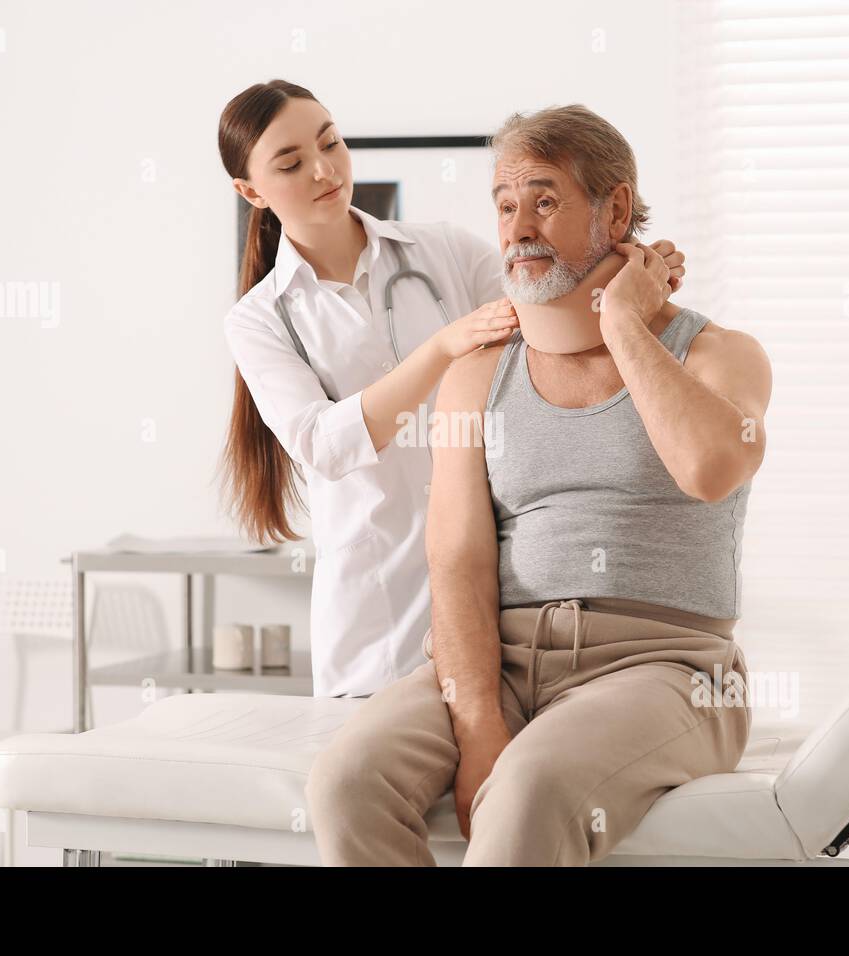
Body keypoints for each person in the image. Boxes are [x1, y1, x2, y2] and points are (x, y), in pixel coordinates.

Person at [305, 104, 773, 865]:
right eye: (504, 203)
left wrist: (623, 322)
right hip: (505, 657)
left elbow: (711, 468)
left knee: (530, 791)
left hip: (667, 670)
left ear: (615, 208)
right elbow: (455, 559)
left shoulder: (718, 354)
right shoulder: (478, 373)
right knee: (346, 783)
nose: (518, 226)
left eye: (546, 200)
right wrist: (479, 718)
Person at [217, 80, 687, 697]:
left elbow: (553, 308)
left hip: (492, 588)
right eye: (291, 163)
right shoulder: (259, 318)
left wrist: (632, 275)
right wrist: (442, 347)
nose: (324, 169)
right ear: (250, 190)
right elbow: (325, 446)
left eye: (331, 143)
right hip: (378, 615)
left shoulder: (441, 250)